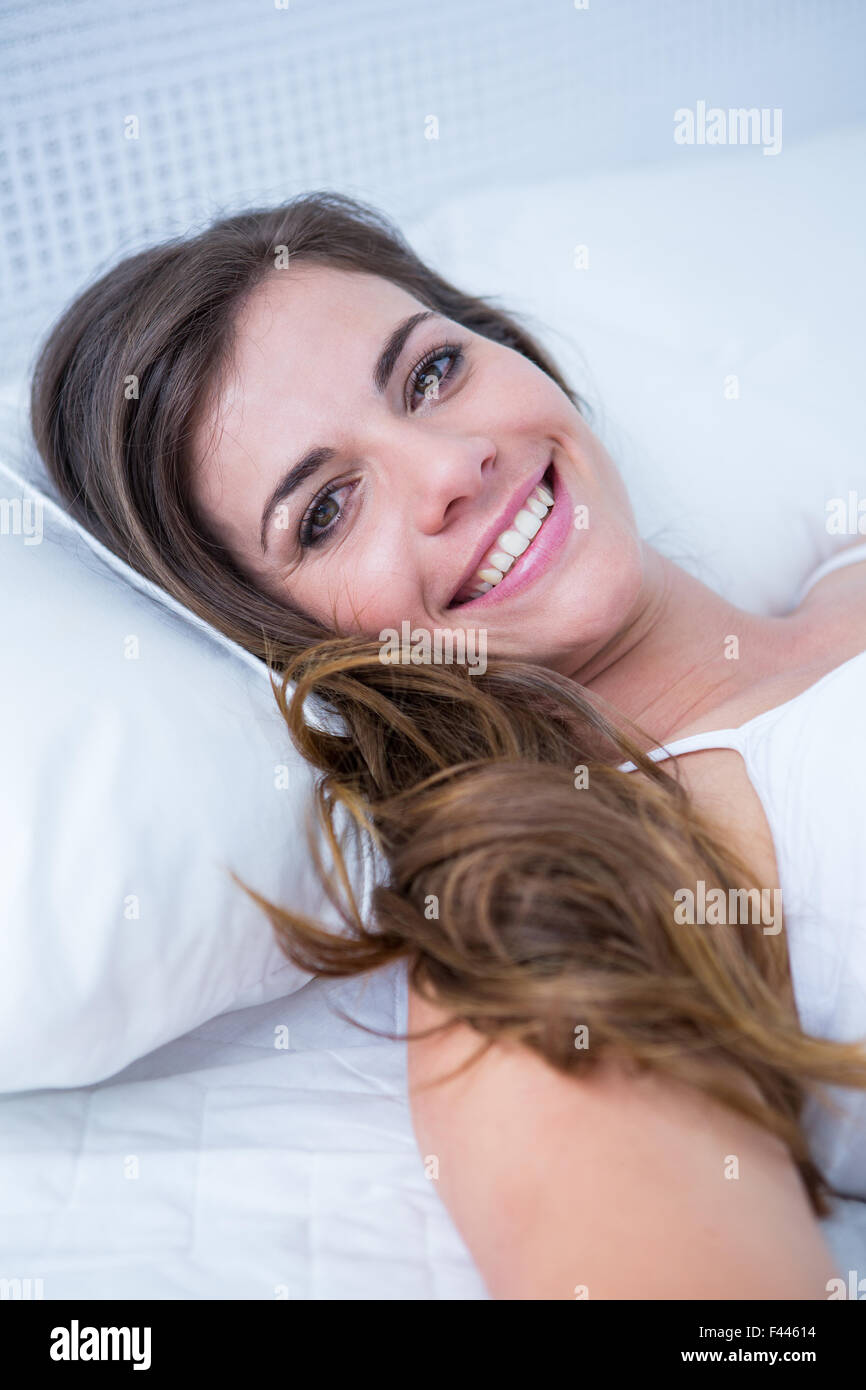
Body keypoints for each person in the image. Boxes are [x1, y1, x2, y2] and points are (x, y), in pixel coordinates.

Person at [30, 191, 866, 1299]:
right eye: (325, 510)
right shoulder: (559, 898)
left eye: (429, 374)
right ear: (292, 646)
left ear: (512, 350)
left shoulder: (840, 551)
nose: (449, 467)